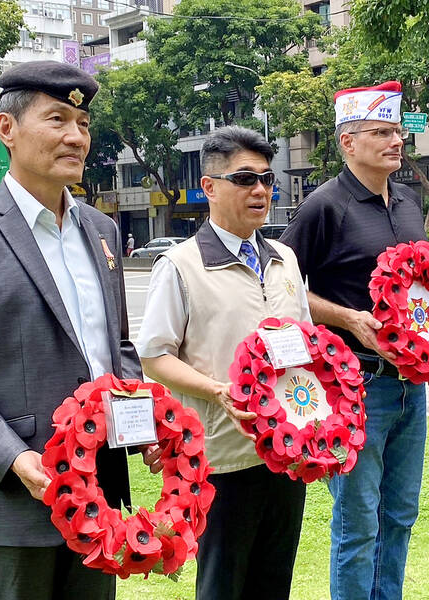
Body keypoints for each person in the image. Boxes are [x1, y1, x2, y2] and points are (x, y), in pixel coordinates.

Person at [0, 61, 147, 600]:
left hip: (97, 487)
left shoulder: (102, 230)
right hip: (19, 492)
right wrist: (12, 456)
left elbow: (116, 349)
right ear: (7, 130)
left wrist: (144, 425)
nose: (75, 137)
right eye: (56, 119)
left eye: (83, 124)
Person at [135, 125, 312, 600]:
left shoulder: (286, 260)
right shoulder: (180, 265)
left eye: (267, 179)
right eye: (245, 179)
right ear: (209, 188)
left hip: (288, 453)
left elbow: (307, 346)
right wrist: (217, 391)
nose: (260, 190)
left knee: (274, 581)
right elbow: (153, 355)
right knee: (222, 584)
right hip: (220, 458)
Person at [280, 81, 428, 600]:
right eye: (381, 132)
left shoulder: (409, 201)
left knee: (401, 513)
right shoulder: (325, 205)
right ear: (348, 141)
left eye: (398, 131)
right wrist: (347, 317)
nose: (396, 142)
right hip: (356, 383)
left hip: (413, 383)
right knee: (358, 519)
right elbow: (283, 284)